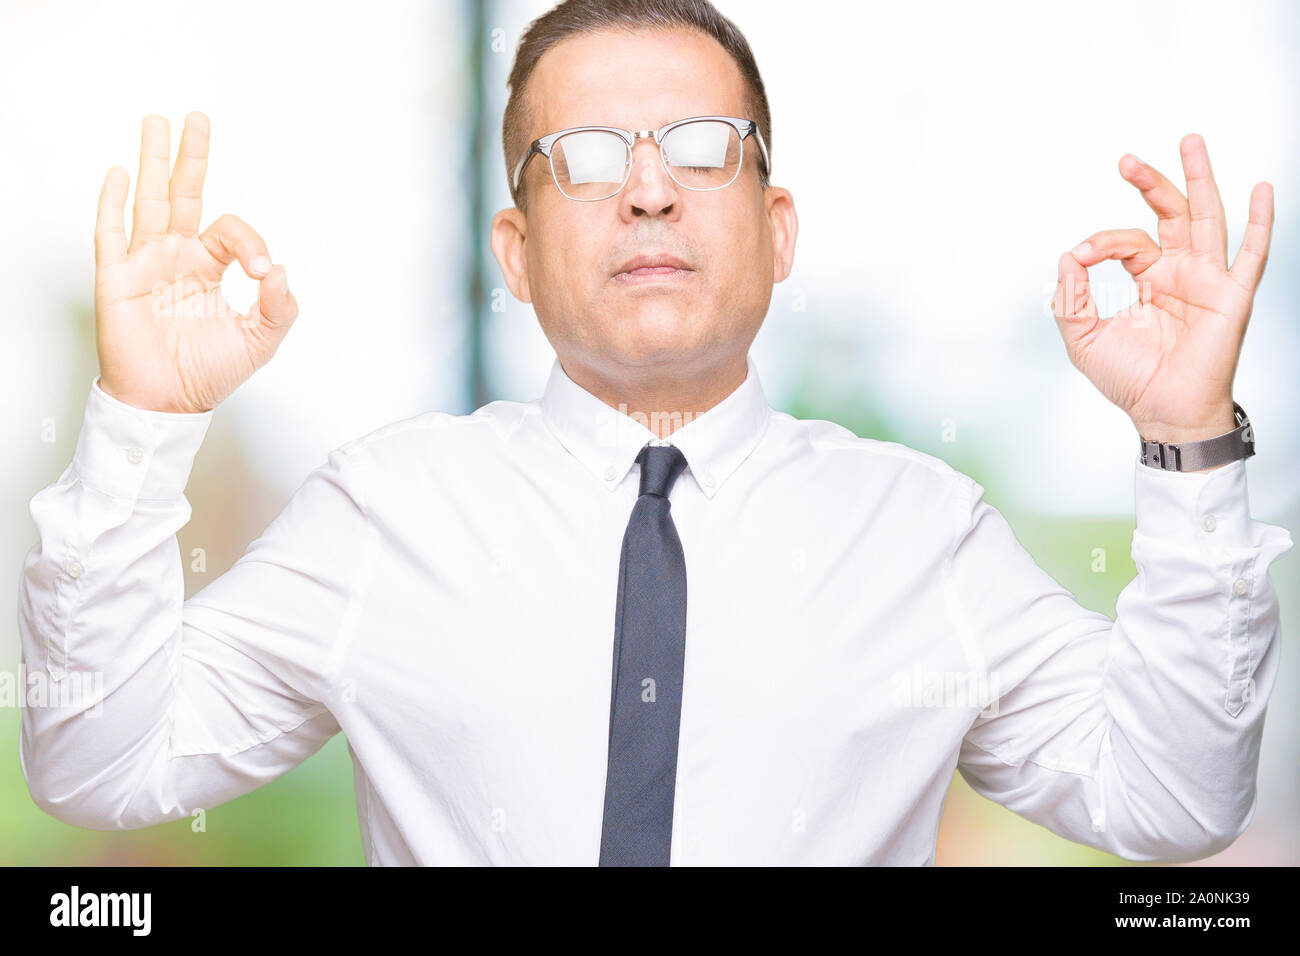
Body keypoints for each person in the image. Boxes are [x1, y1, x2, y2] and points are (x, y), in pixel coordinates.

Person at [18, 0, 1293, 866]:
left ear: (777, 229)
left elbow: (1172, 797)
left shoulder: (921, 530)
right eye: (583, 154)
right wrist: (140, 425)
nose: (644, 187)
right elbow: (98, 762)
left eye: (699, 146)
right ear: (513, 252)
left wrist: (1188, 444)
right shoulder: (382, 509)